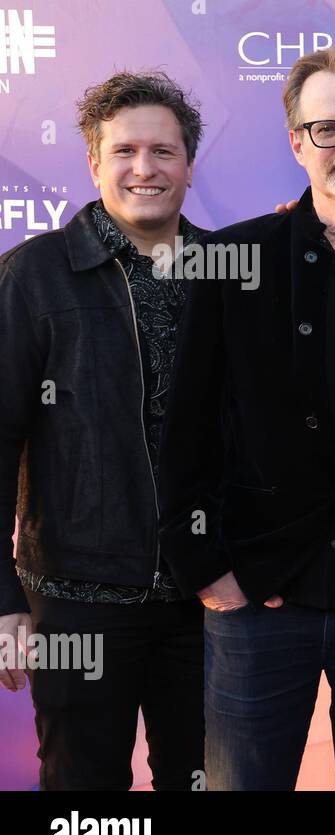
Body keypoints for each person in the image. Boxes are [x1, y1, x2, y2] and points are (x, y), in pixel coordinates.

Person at [157, 47, 335, 791]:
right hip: (257, 597)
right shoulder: (233, 258)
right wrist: (209, 573)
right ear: (297, 143)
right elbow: (183, 424)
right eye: (326, 128)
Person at [0, 71, 206, 790]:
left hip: (206, 599)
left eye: (162, 151)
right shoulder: (33, 276)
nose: (144, 168)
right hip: (73, 601)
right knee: (83, 800)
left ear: (188, 162)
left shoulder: (232, 272)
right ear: (93, 162)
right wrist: (3, 598)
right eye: (124, 151)